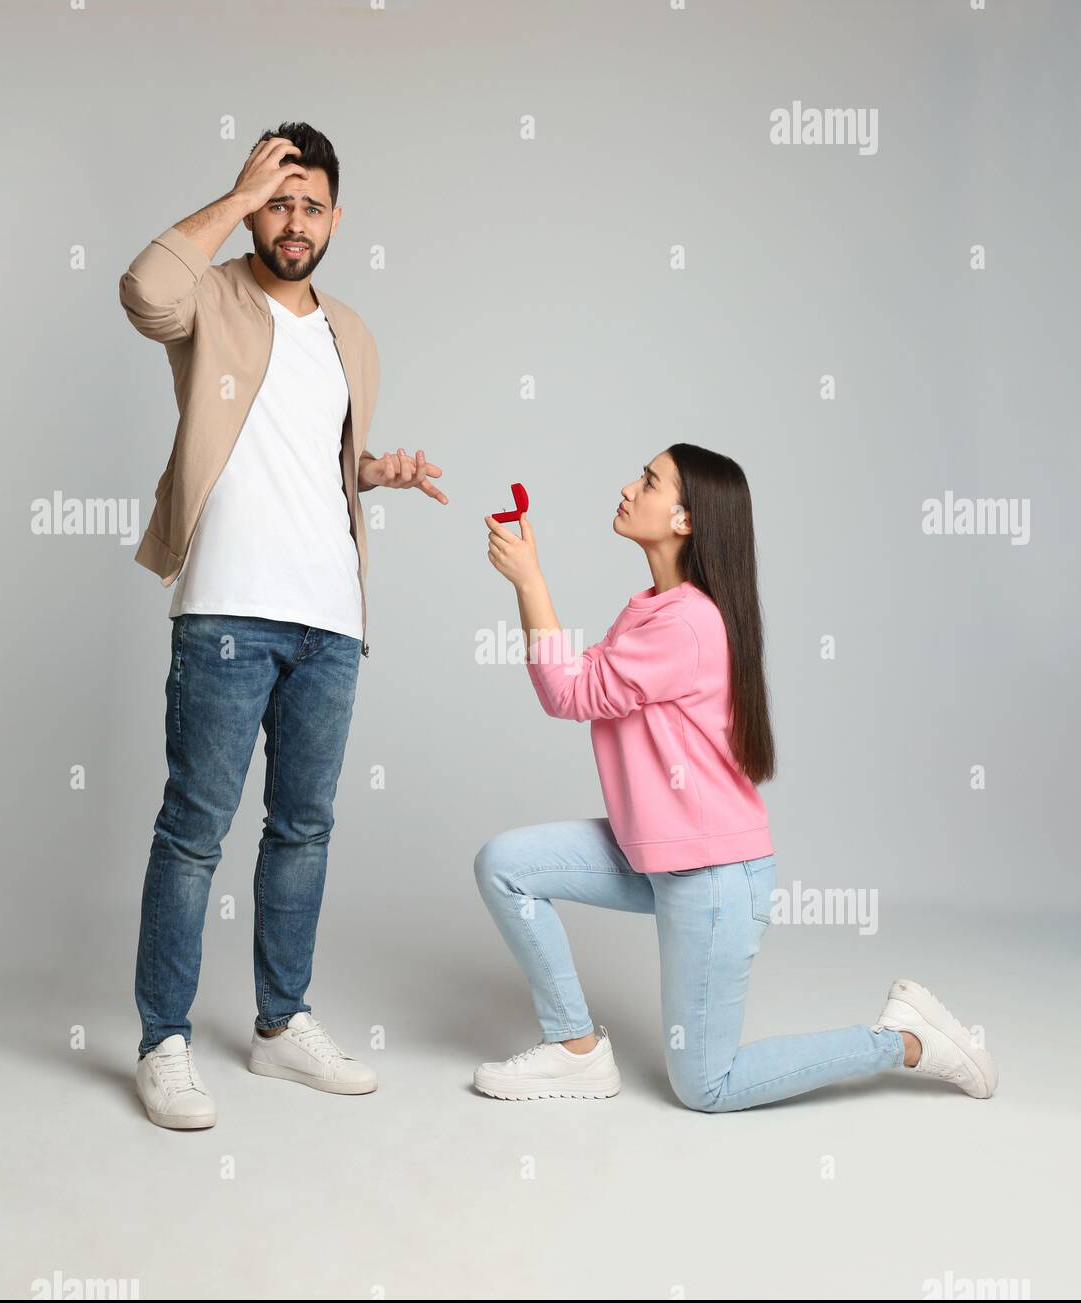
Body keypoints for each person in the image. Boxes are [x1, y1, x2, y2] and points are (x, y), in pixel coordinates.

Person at [473, 444, 999, 1109]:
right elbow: (580, 687)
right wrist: (530, 584)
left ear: (686, 519)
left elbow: (568, 694)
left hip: (712, 872)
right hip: (655, 850)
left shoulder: (688, 621)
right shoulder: (654, 607)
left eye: (649, 481)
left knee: (705, 1087)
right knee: (505, 864)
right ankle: (574, 1049)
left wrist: (530, 582)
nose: (629, 488)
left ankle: (903, 1040)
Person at [121, 122, 447, 1129]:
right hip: (227, 608)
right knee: (193, 834)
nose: (292, 220)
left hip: (330, 620)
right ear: (252, 205)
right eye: (276, 199)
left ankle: (278, 1026)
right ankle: (163, 1042)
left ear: (335, 220)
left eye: (309, 203)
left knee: (303, 830)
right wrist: (234, 191)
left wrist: (373, 472)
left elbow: (306, 460)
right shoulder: (210, 294)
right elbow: (142, 293)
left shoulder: (351, 331)